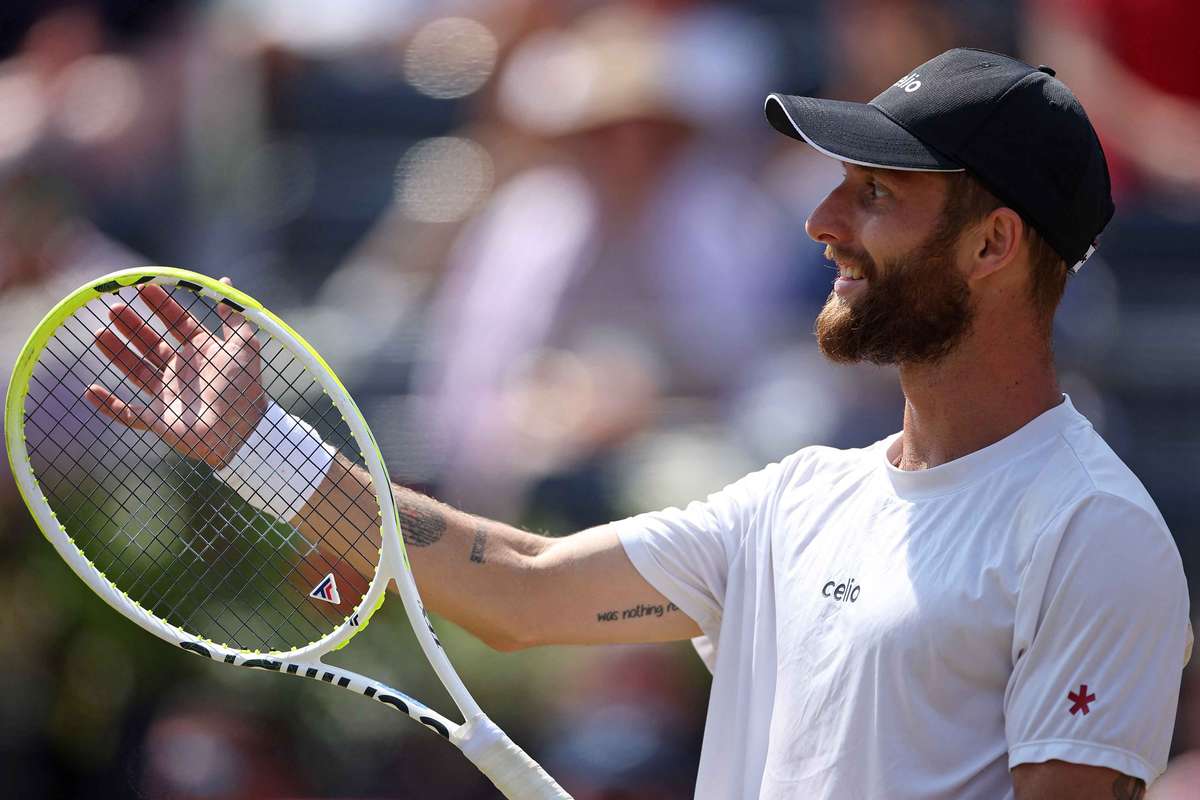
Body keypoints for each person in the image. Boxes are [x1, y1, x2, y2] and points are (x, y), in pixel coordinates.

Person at [84, 49, 1191, 799]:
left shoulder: (1091, 532)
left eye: (875, 195)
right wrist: (258, 449)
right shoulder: (800, 497)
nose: (820, 221)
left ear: (994, 245)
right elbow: (521, 584)